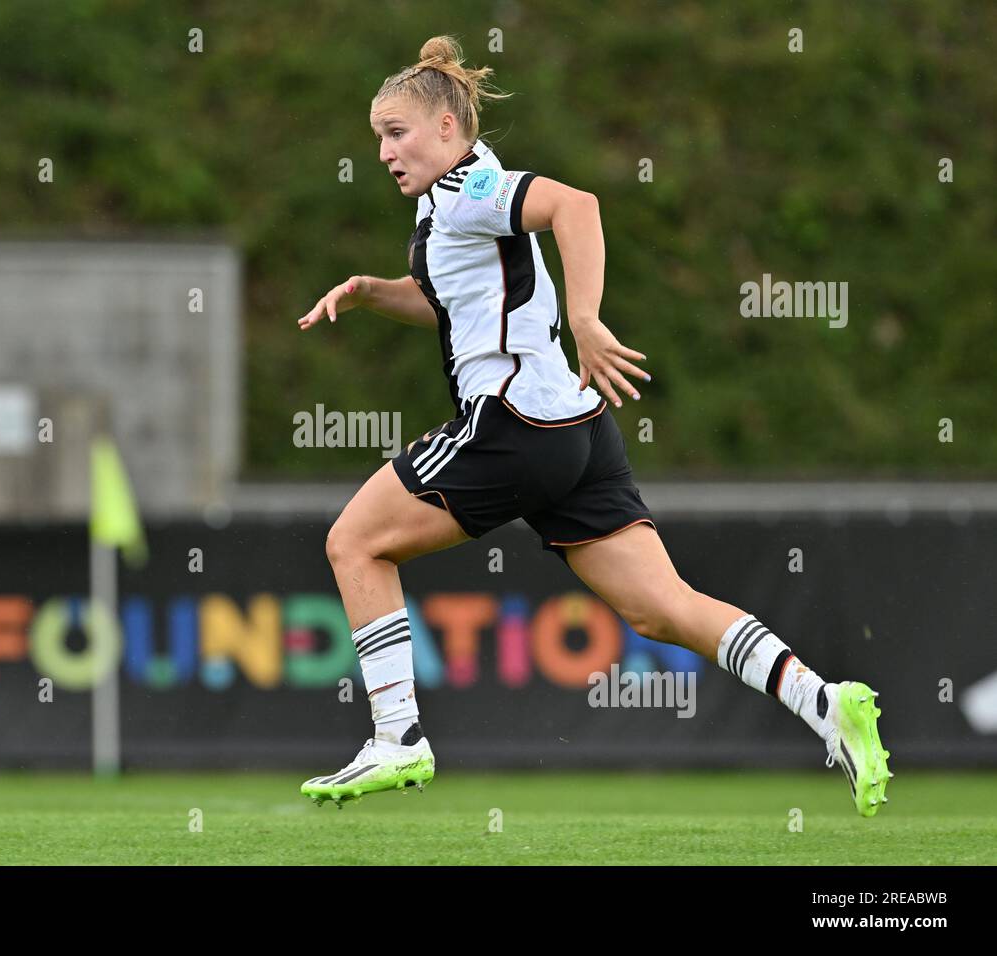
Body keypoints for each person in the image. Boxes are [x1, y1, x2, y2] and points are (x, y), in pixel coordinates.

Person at [295, 35, 889, 815]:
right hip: (574, 431)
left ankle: (398, 738)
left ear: (448, 129)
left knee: (354, 541)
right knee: (663, 607)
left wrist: (587, 320)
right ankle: (825, 703)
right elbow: (453, 295)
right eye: (376, 136)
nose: (382, 151)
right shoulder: (447, 208)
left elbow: (577, 205)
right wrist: (375, 290)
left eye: (395, 132)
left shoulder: (475, 190)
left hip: (510, 421)